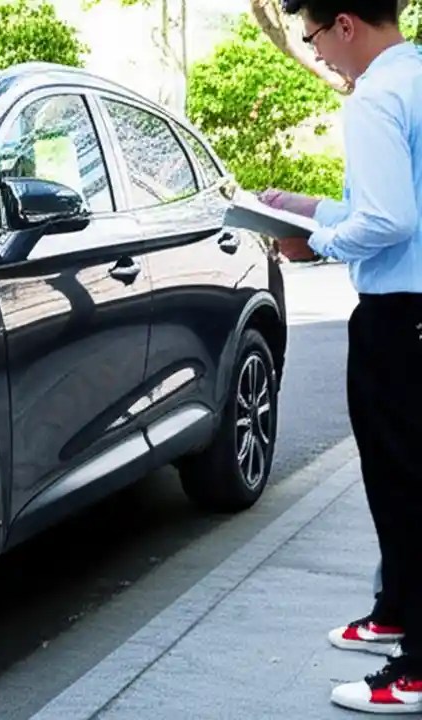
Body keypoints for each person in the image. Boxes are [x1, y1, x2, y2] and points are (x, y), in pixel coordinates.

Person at [261, 0, 422, 713]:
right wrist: (314, 208)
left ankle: (416, 668)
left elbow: (389, 220)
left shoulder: (376, 97)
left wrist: (313, 242)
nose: (318, 51)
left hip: (400, 319)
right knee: (406, 482)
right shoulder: (414, 79)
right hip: (412, 314)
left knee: (404, 489)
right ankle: (395, 612)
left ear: (346, 24)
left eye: (315, 36)